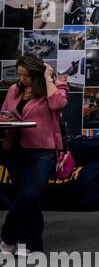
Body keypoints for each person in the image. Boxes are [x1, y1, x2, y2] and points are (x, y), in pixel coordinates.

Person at [0, 54, 69, 256]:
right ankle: (33, 245)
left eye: (26, 75)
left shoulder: (56, 87)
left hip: (43, 150)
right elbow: (4, 111)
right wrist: (7, 117)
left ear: (37, 74)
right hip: (15, 148)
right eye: (20, 74)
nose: (21, 79)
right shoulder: (15, 89)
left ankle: (7, 237)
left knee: (28, 195)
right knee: (28, 199)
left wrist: (49, 78)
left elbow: (57, 105)